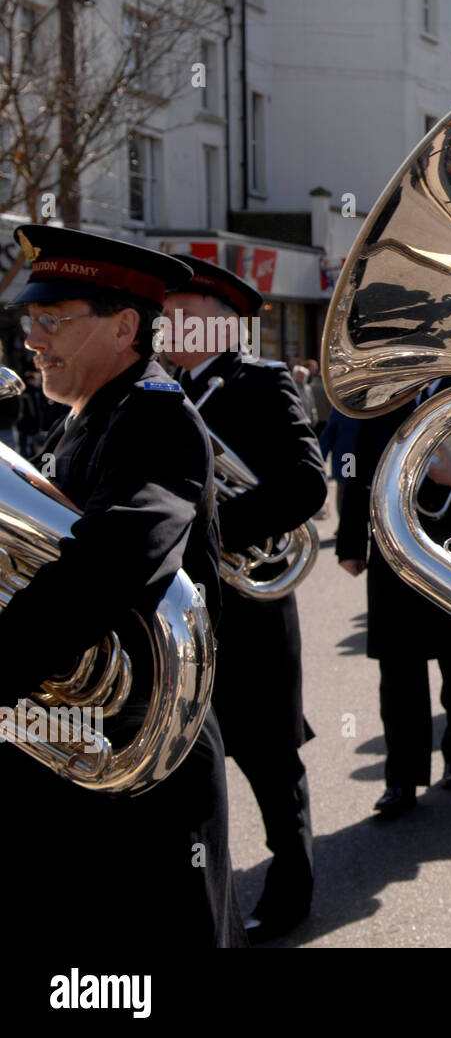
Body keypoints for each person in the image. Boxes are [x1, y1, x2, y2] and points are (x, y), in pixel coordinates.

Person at [0, 224, 243, 947]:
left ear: (126, 326)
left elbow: (121, 553)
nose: (33, 339)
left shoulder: (156, 420)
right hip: (78, 744)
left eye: (53, 321)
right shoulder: (84, 419)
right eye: (28, 320)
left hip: (141, 758)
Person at [165, 254, 327, 944]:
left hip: (250, 611)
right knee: (188, 766)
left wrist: (205, 529)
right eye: (166, 314)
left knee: (270, 762)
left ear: (226, 327)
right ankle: (204, 898)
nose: (168, 325)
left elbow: (306, 486)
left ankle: (291, 889)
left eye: (184, 315)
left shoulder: (259, 382)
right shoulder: (157, 389)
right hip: (180, 616)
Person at [336, 382, 451, 815]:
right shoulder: (388, 397)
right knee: (398, 673)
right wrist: (350, 542)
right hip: (395, 554)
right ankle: (402, 778)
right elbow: (359, 471)